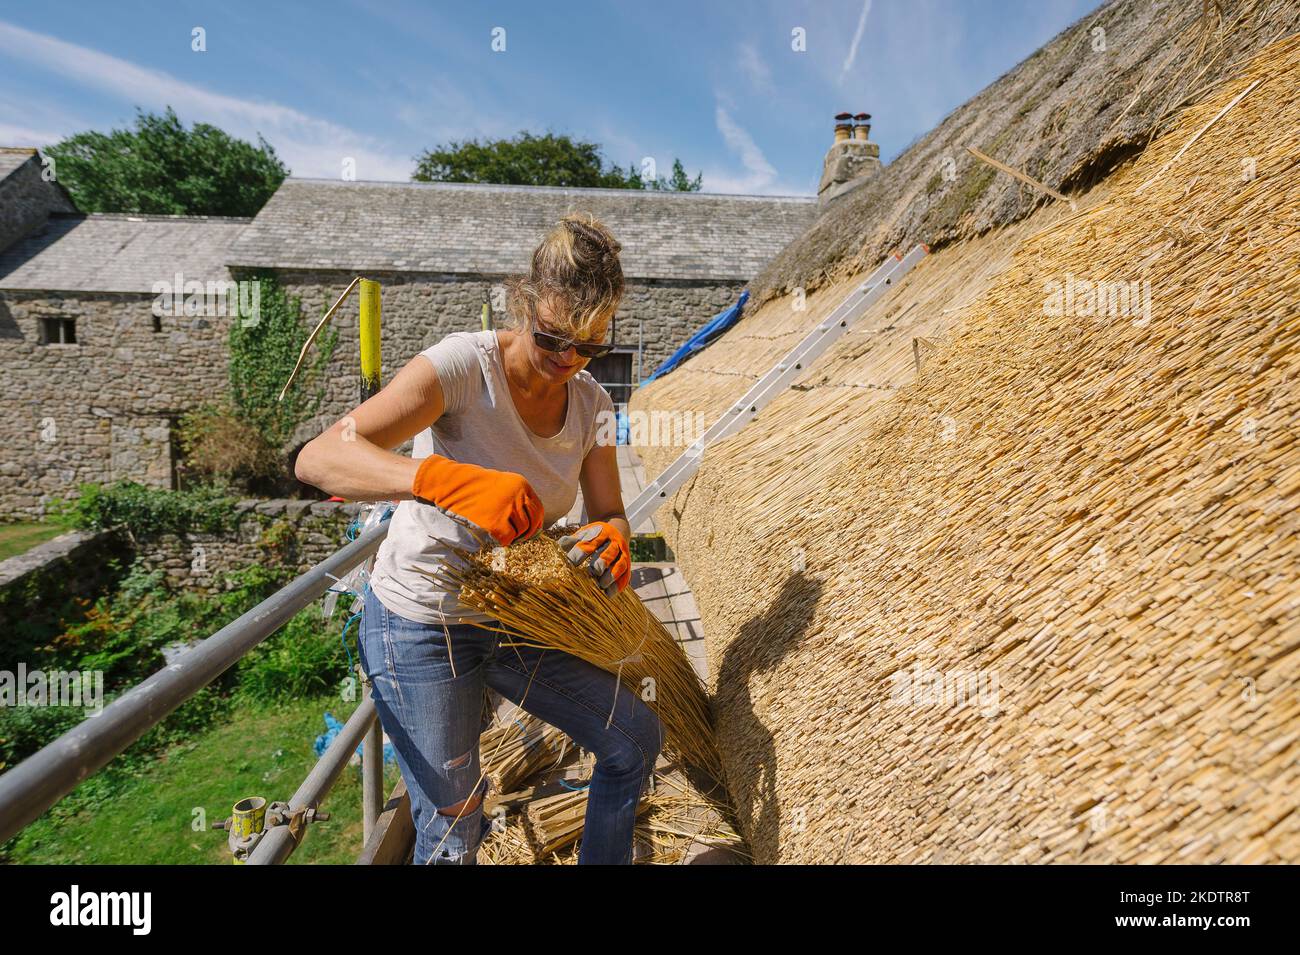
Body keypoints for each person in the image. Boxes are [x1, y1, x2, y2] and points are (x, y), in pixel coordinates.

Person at [295, 212, 662, 865]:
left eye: (589, 347)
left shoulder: (595, 407)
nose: (567, 362)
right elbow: (320, 459)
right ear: (522, 302)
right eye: (552, 338)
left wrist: (613, 534)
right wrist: (442, 479)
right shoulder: (464, 366)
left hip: (518, 615)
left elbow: (611, 508)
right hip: (421, 622)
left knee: (632, 739)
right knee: (455, 823)